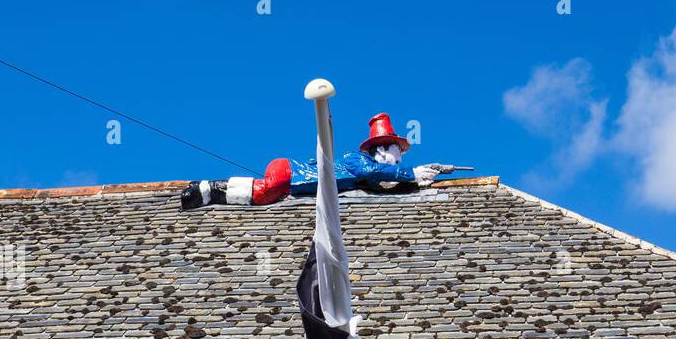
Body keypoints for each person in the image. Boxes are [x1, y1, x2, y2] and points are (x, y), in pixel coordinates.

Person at [182, 113, 468, 208]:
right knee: (265, 191)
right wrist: (410, 173)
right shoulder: (356, 161)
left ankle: (207, 190)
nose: (397, 157)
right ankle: (208, 191)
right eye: (396, 150)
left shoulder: (370, 171)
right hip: (289, 172)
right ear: (382, 148)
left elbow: (379, 181)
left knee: (264, 191)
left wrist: (417, 176)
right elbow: (373, 172)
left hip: (291, 178)